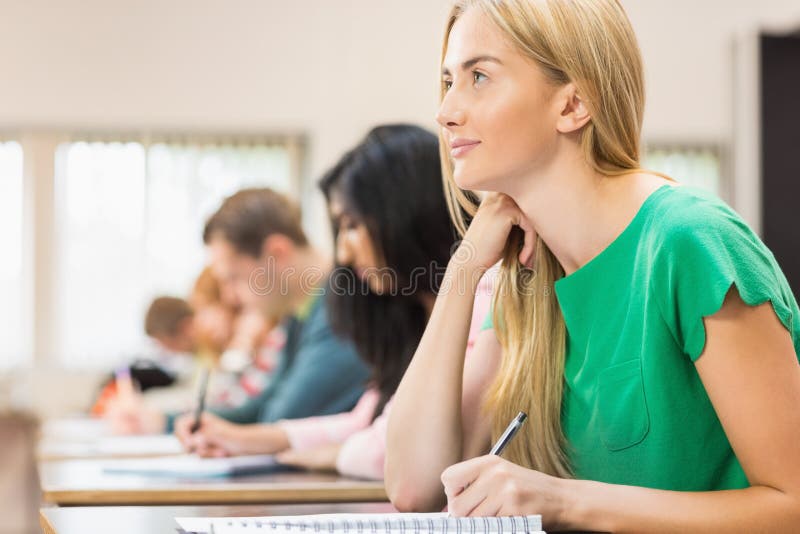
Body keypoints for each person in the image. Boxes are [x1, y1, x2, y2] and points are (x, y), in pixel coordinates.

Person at [385, 1, 800, 531]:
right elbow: (414, 485)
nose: (445, 111)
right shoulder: (525, 279)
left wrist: (563, 502)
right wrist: (465, 270)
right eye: (448, 81)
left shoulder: (689, 240)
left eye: (480, 77)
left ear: (572, 104)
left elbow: (791, 507)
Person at [176, 125, 495, 480]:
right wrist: (245, 439)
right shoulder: (408, 313)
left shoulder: (484, 298)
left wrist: (332, 453)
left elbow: (398, 452)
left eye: (353, 224)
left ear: (406, 214)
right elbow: (367, 421)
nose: (343, 250)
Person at [110, 188, 371, 434]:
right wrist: (163, 421)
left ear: (276, 254)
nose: (228, 297)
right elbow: (256, 409)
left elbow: (279, 418)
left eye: (234, 278)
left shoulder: (346, 309)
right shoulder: (300, 315)